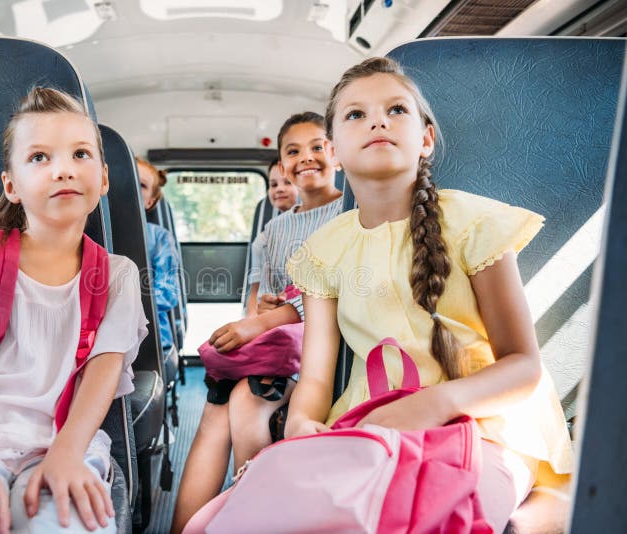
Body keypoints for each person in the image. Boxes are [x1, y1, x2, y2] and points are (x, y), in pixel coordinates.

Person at [285, 58, 573, 532]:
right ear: (333, 151)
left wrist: (435, 405)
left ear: (426, 139)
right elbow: (316, 376)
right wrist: (299, 423)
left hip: (486, 424)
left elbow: (523, 364)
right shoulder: (323, 253)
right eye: (356, 114)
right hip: (373, 423)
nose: (378, 121)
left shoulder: (473, 225)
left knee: (437, 517)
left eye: (396, 109)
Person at [0, 87, 147, 534]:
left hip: (61, 442)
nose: (63, 169)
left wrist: (67, 453)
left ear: (103, 179)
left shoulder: (118, 275)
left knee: (62, 522)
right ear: (12, 186)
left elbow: (102, 374)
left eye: (80, 154)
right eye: (40, 158)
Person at [171, 112, 342, 533]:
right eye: (293, 152)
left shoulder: (350, 214)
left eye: (317, 146)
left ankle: (253, 519)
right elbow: (269, 294)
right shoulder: (276, 228)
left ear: (336, 154)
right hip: (285, 347)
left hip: (325, 353)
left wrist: (267, 321)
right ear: (282, 165)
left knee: (248, 400)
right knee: (216, 404)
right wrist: (266, 309)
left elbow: (339, 295)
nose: (306, 157)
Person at [137, 157, 181, 356]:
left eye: (141, 185)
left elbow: (167, 292)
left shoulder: (159, 238)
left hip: (152, 337)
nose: (131, 188)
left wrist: (123, 307)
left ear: (150, 201)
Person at [245, 157, 298, 318]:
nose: (279, 189)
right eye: (273, 185)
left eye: (287, 182)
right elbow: (255, 290)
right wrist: (249, 323)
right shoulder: (263, 239)